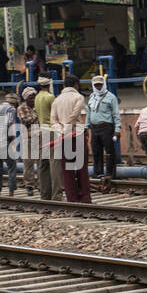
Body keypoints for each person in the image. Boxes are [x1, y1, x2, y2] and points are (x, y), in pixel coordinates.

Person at [51, 75, 92, 204]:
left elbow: (53, 120)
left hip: (63, 137)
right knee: (81, 168)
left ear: (63, 85)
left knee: (67, 169)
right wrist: (68, 127)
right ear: (76, 85)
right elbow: (75, 113)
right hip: (77, 135)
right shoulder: (78, 97)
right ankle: (84, 197)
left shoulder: (56, 100)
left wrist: (61, 130)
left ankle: (72, 198)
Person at [86, 74, 120, 181]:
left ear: (104, 84)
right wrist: (86, 127)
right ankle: (98, 173)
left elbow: (116, 114)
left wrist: (117, 129)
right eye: (96, 85)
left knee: (109, 151)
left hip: (106, 127)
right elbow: (88, 113)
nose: (98, 87)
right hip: (94, 128)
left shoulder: (111, 97)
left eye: (100, 85)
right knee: (96, 151)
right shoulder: (92, 97)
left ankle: (110, 173)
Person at [33, 77, 60, 200]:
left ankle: (45, 194)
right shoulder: (50, 97)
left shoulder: (37, 97)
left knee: (43, 165)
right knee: (54, 164)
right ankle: (56, 195)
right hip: (51, 132)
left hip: (41, 132)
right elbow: (56, 114)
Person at [17, 87, 39, 196]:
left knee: (41, 162)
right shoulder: (21, 108)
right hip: (28, 137)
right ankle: (29, 185)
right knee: (28, 163)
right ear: (25, 98)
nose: (33, 100)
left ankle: (41, 184)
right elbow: (26, 120)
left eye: (34, 97)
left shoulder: (37, 106)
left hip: (39, 136)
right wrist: (37, 115)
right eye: (30, 98)